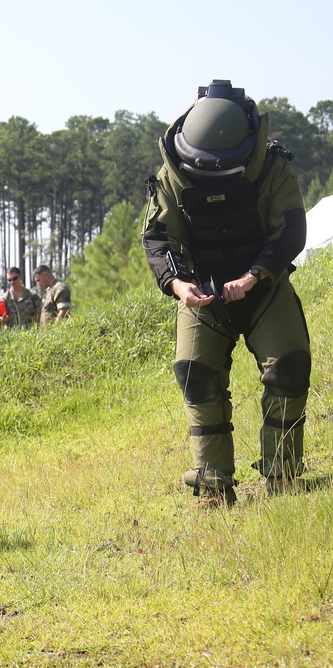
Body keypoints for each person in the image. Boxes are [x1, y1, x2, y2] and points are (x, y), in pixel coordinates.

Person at [142, 79, 310, 506]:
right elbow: (159, 239)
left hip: (263, 287)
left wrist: (255, 276)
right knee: (195, 375)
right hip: (202, 293)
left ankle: (283, 477)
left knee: (289, 368)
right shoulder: (173, 174)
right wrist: (180, 286)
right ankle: (213, 486)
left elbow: (290, 230)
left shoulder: (272, 166)